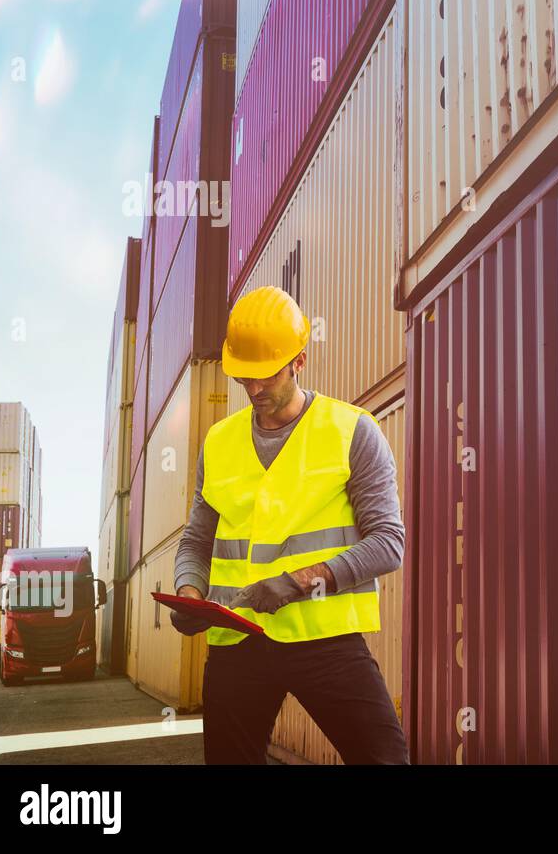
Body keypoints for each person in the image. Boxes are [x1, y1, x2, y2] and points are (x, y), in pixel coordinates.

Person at [170, 285, 409, 764]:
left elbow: (388, 544)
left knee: (385, 760)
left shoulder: (352, 432)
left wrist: (298, 583)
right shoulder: (218, 443)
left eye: (266, 376)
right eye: (244, 378)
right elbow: (197, 539)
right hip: (237, 641)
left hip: (325, 640)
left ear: (299, 360)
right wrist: (189, 593)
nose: (254, 390)